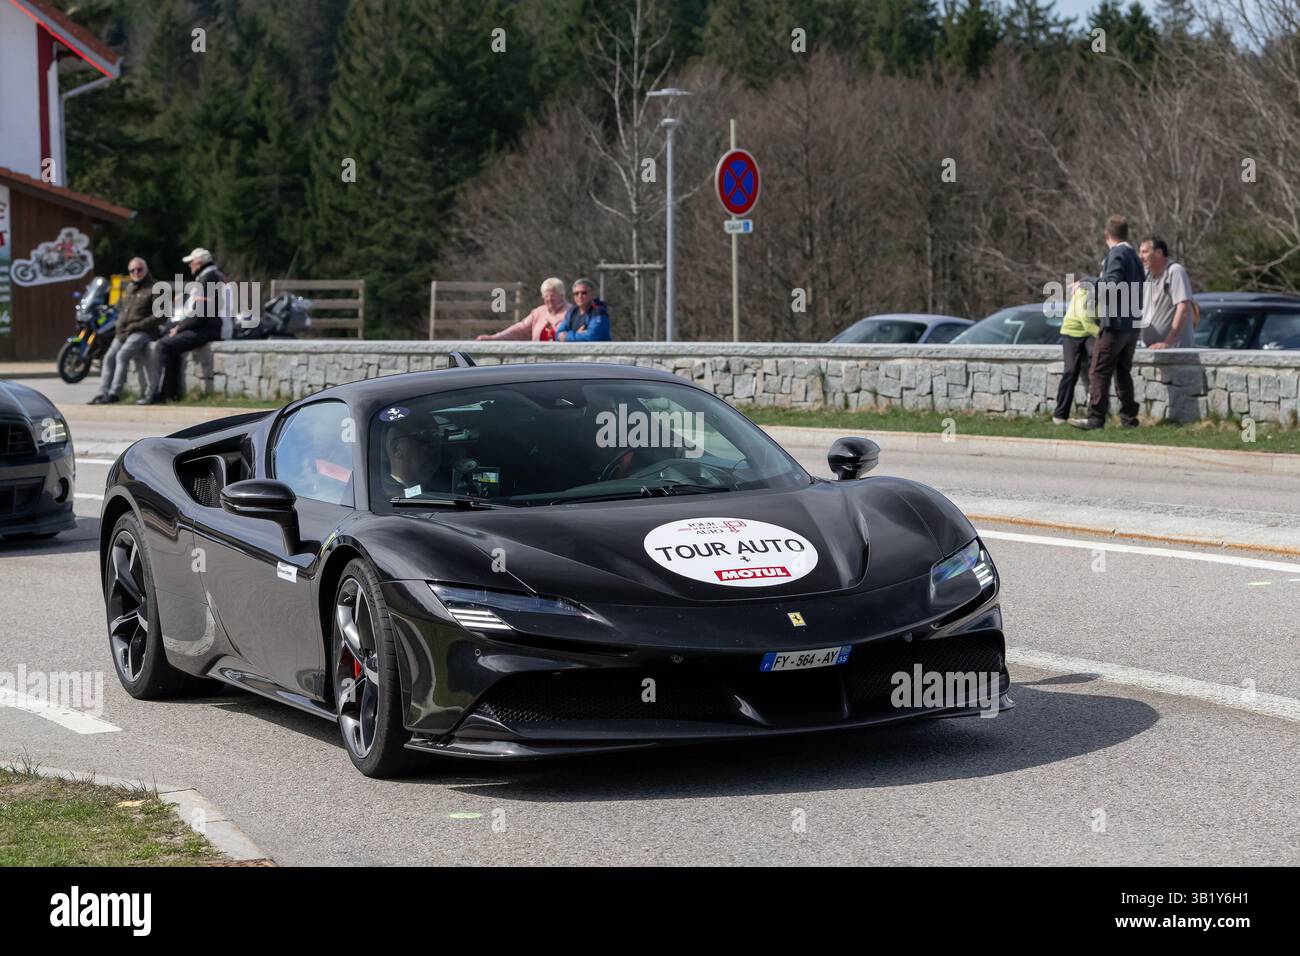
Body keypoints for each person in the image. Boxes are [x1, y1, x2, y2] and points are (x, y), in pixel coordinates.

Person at [1071, 216, 1144, 430]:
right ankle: (1129, 419)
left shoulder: (1117, 253)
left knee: (1099, 369)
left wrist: (1086, 282)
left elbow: (1111, 284)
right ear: (1126, 233)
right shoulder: (1134, 256)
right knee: (1122, 372)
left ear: (1106, 235)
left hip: (1116, 324)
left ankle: (1095, 419)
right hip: (1132, 324)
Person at [143, 248, 226, 405]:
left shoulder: (209, 278)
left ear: (199, 262)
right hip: (206, 326)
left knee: (163, 345)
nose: (190, 265)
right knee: (167, 337)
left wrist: (180, 328)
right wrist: (178, 326)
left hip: (208, 328)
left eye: (191, 262)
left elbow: (201, 314)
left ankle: (161, 394)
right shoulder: (211, 275)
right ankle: (170, 393)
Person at [88, 257, 163, 404]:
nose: (136, 272)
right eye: (132, 270)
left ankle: (114, 394)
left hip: (144, 331)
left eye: (139, 269)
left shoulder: (157, 287)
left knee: (122, 355)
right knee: (109, 357)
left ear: (146, 269)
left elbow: (162, 315)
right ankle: (102, 394)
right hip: (123, 332)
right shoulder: (129, 287)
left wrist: (139, 325)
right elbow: (121, 309)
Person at [1052, 276, 1099, 424]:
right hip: (1072, 332)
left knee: (1098, 363)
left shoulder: (1108, 293)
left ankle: (1095, 409)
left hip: (1089, 334)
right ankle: (1060, 414)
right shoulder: (1083, 291)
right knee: (1071, 370)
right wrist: (1103, 336)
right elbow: (1085, 320)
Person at [1139, 236, 1196, 350]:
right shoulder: (1146, 276)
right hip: (1150, 349)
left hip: (1174, 351)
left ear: (1159, 253)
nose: (1141, 257)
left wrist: (1167, 342)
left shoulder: (1174, 271)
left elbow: (1183, 309)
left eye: (1145, 252)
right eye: (1140, 252)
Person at [476, 277, 569, 341]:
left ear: (561, 295)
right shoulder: (538, 313)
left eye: (552, 296)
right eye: (546, 296)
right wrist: (494, 338)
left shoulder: (571, 312)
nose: (549, 299)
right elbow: (520, 329)